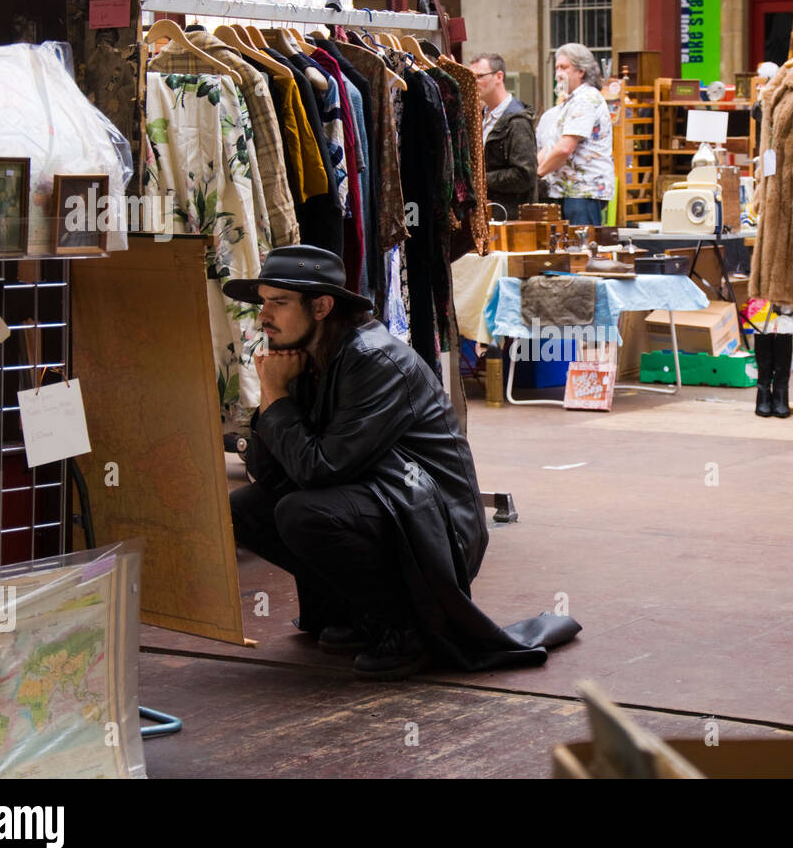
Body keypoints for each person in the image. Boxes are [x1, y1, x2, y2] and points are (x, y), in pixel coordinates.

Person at [224, 245, 581, 679]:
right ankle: (358, 614)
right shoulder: (304, 359)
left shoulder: (373, 359)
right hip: (386, 504)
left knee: (302, 512)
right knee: (245, 508)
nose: (264, 316)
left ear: (321, 306)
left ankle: (407, 631)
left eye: (278, 303)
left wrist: (277, 398)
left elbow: (320, 470)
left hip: (436, 530)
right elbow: (273, 472)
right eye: (264, 302)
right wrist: (271, 395)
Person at [535, 42, 616, 226]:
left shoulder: (586, 98)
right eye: (556, 68)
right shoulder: (570, 102)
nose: (558, 73)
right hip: (567, 191)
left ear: (581, 71)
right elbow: (551, 146)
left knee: (581, 250)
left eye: (564, 67)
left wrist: (538, 174)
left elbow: (564, 149)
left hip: (583, 191)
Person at [469, 52, 536, 220]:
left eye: (479, 76)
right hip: (484, 214)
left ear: (499, 77)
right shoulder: (479, 117)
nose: (474, 82)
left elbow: (524, 175)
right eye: (471, 77)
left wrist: (480, 180)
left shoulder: (517, 121)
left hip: (508, 217)